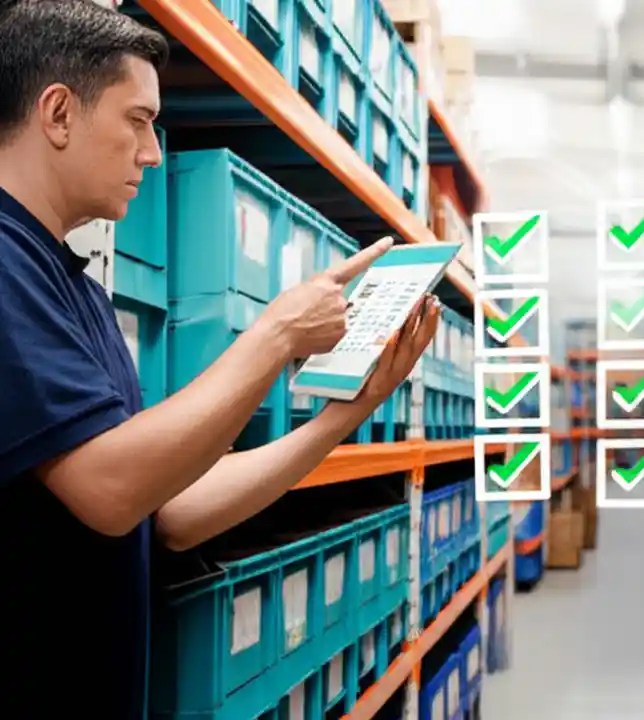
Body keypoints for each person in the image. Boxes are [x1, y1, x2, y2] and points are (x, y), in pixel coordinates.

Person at [0, 1, 441, 716]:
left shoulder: (72, 286)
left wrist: (340, 417)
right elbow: (109, 493)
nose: (152, 152)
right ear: (58, 114)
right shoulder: (5, 263)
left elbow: (164, 508)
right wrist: (276, 334)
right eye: (137, 120)